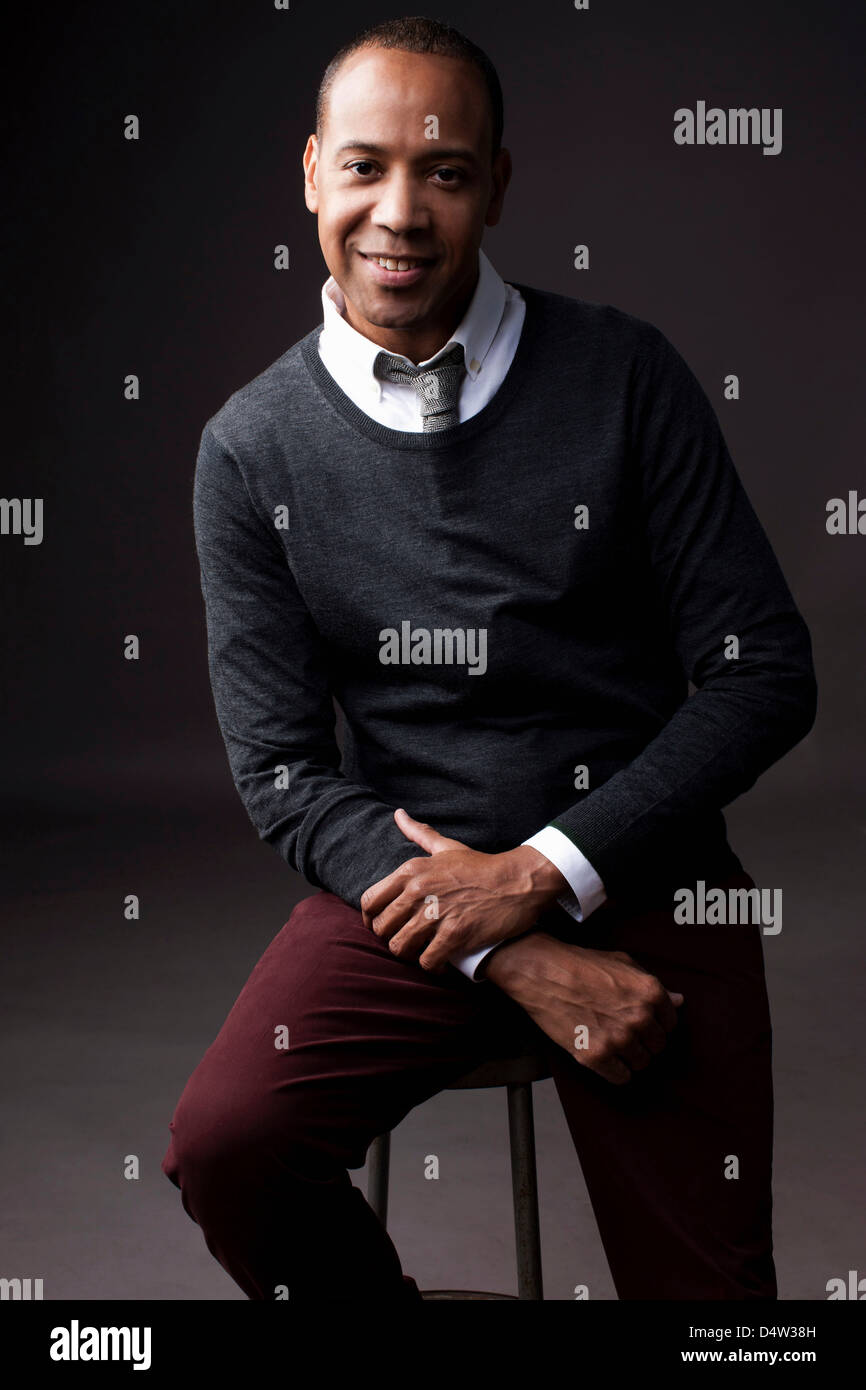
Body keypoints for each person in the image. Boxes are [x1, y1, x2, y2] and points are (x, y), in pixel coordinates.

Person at [161, 15, 817, 1301]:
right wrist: (500, 942)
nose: (396, 212)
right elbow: (285, 771)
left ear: (496, 185)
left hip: (641, 868)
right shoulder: (250, 447)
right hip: (407, 901)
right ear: (310, 175)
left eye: (442, 170)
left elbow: (762, 673)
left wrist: (541, 875)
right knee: (227, 1148)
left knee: (718, 1316)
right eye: (363, 167)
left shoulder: (624, 376)